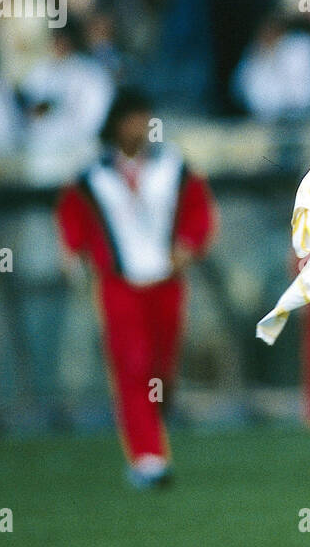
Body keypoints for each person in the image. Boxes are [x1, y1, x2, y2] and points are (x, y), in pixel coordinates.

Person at [55, 88, 217, 488]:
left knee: (163, 365)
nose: (141, 127)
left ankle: (154, 425)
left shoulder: (174, 167)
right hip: (119, 282)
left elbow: (199, 210)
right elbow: (72, 217)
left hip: (166, 280)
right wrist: (73, 252)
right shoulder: (93, 176)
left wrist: (189, 245)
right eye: (133, 119)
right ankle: (147, 456)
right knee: (133, 365)